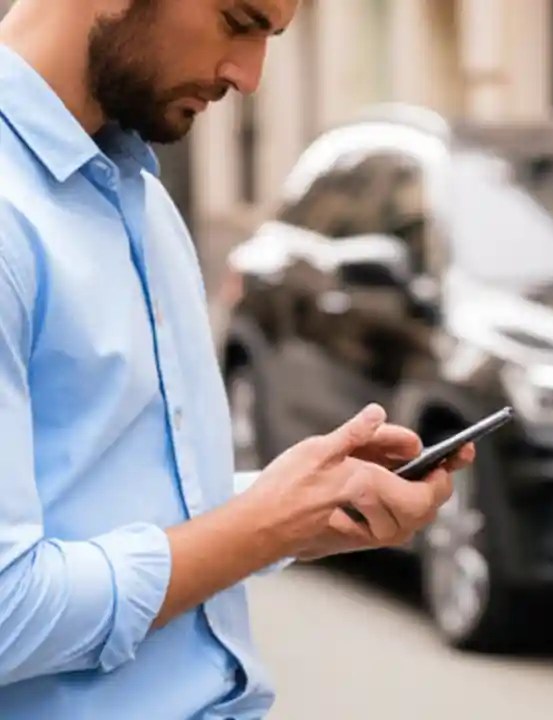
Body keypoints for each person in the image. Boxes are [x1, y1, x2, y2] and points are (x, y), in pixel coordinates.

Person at [0, 1, 472, 717]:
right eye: (237, 20)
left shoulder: (143, 202)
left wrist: (304, 502)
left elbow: (110, 498)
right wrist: (262, 527)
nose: (249, 77)